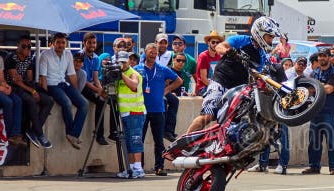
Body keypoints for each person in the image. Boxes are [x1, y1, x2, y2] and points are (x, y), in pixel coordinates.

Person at [186, 16, 280, 133]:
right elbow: (220, 46)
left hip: (237, 90)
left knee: (234, 123)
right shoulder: (241, 40)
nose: (271, 40)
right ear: (260, 33)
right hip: (220, 82)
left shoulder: (261, 55)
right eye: (270, 36)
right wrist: (228, 51)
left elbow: (258, 75)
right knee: (207, 116)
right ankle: (183, 143)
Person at [135, 43, 182, 176]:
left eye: (155, 52)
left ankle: (159, 167)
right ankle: (140, 167)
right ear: (145, 52)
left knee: (159, 141)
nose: (153, 54)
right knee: (140, 140)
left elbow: (178, 81)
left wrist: (166, 90)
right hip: (141, 109)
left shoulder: (162, 69)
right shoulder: (137, 69)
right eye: (151, 51)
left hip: (158, 109)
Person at [39, 32, 88, 150]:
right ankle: (70, 132)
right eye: (58, 42)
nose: (61, 45)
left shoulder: (68, 54)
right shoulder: (45, 54)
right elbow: (43, 77)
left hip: (64, 84)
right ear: (53, 43)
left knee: (84, 103)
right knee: (67, 102)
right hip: (52, 85)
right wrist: (46, 95)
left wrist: (76, 93)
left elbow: (72, 75)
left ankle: (73, 134)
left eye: (63, 43)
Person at [5, 34, 53, 148]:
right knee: (31, 100)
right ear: (18, 46)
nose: (27, 49)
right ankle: (40, 134)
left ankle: (33, 131)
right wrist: (32, 90)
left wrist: (29, 86)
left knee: (49, 101)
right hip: (13, 88)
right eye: (24, 46)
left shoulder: (29, 59)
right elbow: (15, 81)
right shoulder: (11, 58)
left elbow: (29, 78)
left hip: (25, 86)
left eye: (29, 46)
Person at [301, 48, 334, 175]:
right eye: (320, 56)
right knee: (314, 142)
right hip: (315, 112)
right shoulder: (314, 73)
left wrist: (317, 86)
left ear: (329, 57)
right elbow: (309, 90)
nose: (321, 58)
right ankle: (314, 166)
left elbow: (329, 89)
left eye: (324, 56)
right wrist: (321, 86)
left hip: (329, 112)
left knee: (331, 142)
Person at [113, 51, 146, 179]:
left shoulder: (133, 73)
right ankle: (131, 168)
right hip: (125, 112)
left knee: (135, 140)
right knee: (128, 142)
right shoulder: (117, 74)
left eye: (124, 61)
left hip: (135, 111)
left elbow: (134, 85)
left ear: (128, 61)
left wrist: (121, 75)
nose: (122, 64)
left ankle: (138, 168)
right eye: (119, 62)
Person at [78, 32, 110, 146]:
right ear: (84, 43)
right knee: (100, 102)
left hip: (91, 84)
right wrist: (98, 91)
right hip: (81, 85)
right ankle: (99, 134)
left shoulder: (96, 58)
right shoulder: (80, 55)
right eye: (90, 43)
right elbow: (84, 80)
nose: (92, 45)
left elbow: (95, 77)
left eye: (94, 43)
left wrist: (101, 90)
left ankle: (110, 132)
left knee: (107, 99)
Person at [194, 31, 223, 96]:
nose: (215, 44)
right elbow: (203, 78)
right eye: (213, 42)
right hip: (203, 88)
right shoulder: (203, 56)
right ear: (208, 43)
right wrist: (216, 87)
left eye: (217, 42)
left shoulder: (219, 56)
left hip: (215, 87)